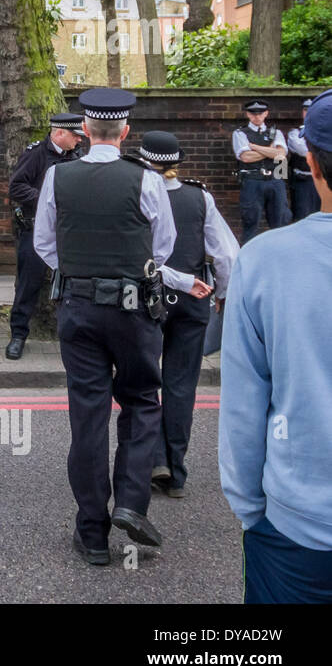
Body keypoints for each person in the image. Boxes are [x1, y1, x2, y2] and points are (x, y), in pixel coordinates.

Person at [33, 88, 211, 566]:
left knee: (87, 415)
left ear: (85, 131)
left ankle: (92, 532)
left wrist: (79, 275)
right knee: (140, 402)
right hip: (134, 313)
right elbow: (163, 247)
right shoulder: (145, 180)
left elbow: (45, 246)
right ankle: (131, 503)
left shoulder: (57, 177)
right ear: (125, 131)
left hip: (78, 310)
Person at [220, 87, 332, 603]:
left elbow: (245, 402)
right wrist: (268, 154)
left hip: (300, 527)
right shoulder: (255, 136)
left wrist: (250, 512)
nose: (259, 117)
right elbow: (252, 155)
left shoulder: (264, 263)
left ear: (314, 159)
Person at [135, 131, 238, 499]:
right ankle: (176, 473)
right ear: (178, 163)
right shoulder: (201, 196)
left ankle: (154, 459)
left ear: (144, 160)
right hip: (193, 300)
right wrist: (223, 295)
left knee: (146, 382)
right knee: (181, 385)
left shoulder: (136, 194)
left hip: (148, 300)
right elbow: (227, 255)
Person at [4, 113, 85, 360]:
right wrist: (48, 201)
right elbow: (16, 187)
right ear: (59, 133)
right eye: (75, 136)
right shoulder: (36, 153)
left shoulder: (77, 157)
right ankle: (18, 335)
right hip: (36, 229)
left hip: (69, 231)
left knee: (77, 283)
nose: (79, 141)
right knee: (29, 283)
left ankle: (76, 334)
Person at [232, 99, 289, 243]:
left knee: (280, 223)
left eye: (260, 113)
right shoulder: (240, 133)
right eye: (253, 113)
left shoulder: (276, 132)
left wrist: (255, 147)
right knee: (250, 223)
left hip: (276, 179)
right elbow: (245, 157)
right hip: (252, 180)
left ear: (266, 113)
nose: (257, 116)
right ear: (248, 114)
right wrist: (270, 150)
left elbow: (281, 155)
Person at [287, 98, 318, 222]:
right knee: (302, 216)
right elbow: (302, 150)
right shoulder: (295, 132)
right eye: (305, 110)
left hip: (324, 179)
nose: (308, 113)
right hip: (303, 180)